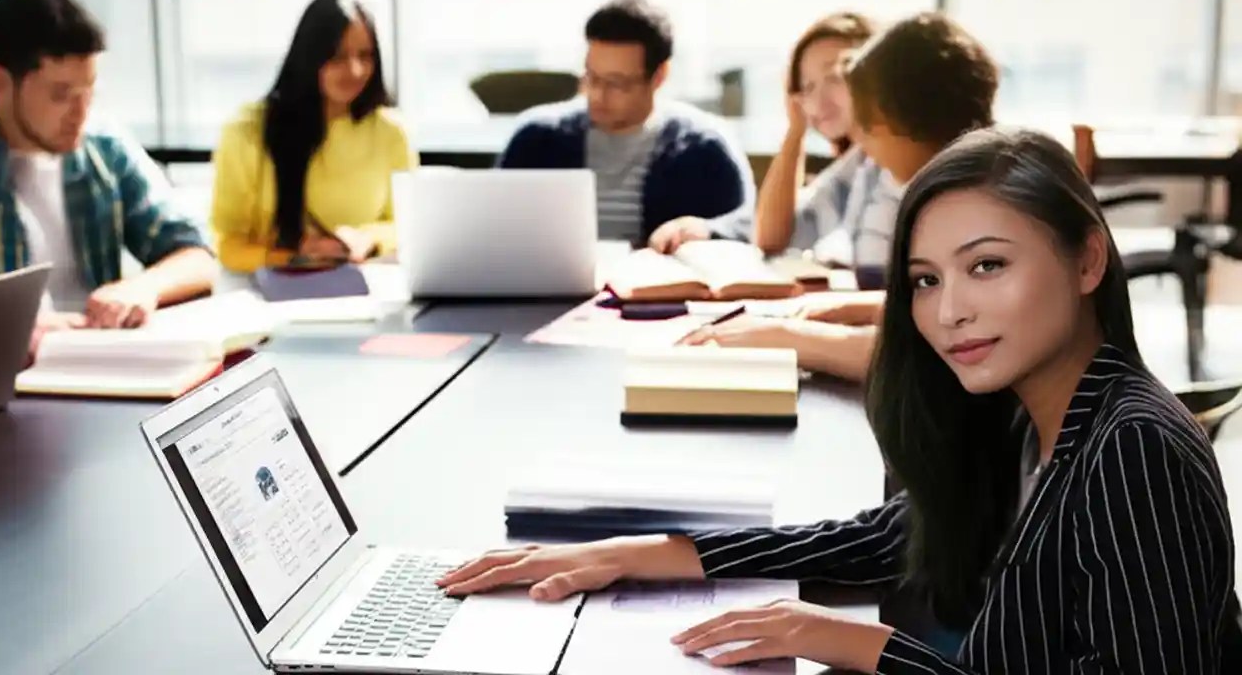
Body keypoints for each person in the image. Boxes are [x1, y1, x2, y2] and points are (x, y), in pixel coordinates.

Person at [437, 127, 1242, 673]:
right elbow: (885, 540)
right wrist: (636, 554)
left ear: (1089, 260)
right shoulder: (1023, 411)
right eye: (924, 280)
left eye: (987, 266)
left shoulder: (1134, 449)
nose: (948, 311)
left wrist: (857, 645)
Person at [680, 13, 999, 383]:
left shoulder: (981, 208)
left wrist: (788, 336)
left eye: (870, 123)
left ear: (913, 117)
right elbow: (930, 308)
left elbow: (935, 353)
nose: (859, 137)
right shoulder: (950, 184)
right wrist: (839, 308)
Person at [0, 0, 215, 336]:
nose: (80, 113)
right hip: (9, 367)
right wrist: (15, 330)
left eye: (89, 91)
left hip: (104, 354)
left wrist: (143, 288)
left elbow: (198, 256)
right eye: (61, 94)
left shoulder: (104, 147)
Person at [649, 12, 899, 273]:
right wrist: (795, 131)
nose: (817, 99)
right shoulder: (853, 167)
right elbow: (770, 239)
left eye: (835, 77)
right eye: (806, 87)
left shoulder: (890, 161)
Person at [497, 0, 753, 245]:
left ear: (659, 76)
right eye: (592, 77)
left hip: (654, 274)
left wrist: (705, 229)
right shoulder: (536, 140)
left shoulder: (704, 147)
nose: (597, 94)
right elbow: (493, 223)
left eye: (616, 83)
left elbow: (746, 226)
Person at [211, 0, 416, 273]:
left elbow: (407, 225)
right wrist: (295, 257)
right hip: (271, 286)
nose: (355, 70)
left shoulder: (391, 131)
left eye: (365, 56)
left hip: (363, 282)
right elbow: (227, 245)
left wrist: (367, 238)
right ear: (309, 57)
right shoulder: (246, 132)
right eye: (338, 56)